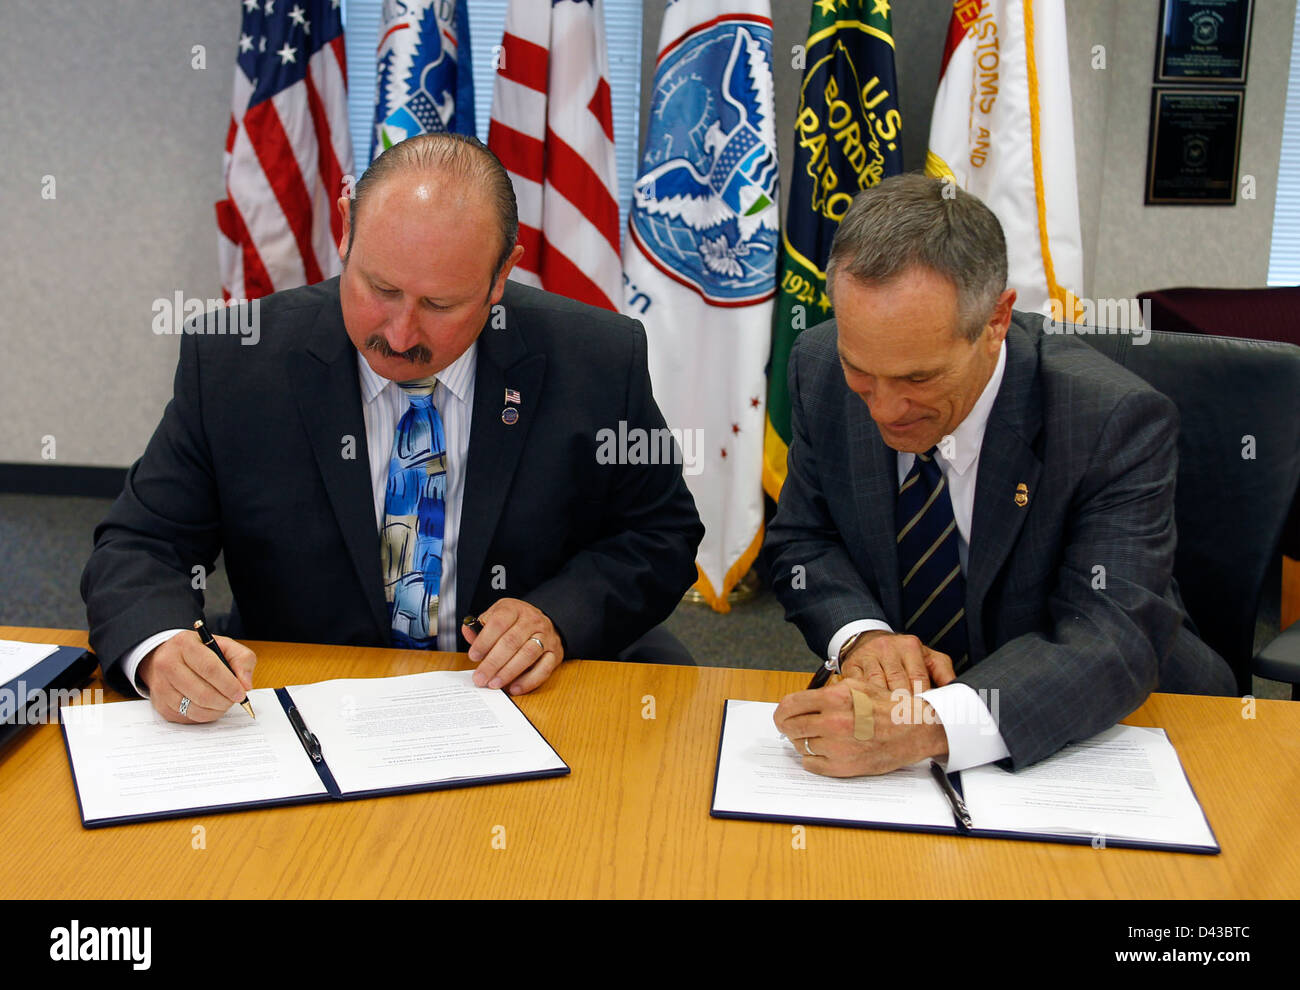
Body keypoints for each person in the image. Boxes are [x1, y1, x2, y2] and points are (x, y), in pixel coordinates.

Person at [82, 133, 704, 724]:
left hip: (517, 703)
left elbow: (659, 534)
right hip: (306, 700)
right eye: (380, 288)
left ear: (500, 277)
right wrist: (161, 646)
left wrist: (559, 616)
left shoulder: (594, 359)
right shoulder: (236, 362)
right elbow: (141, 544)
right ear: (347, 228)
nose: (400, 334)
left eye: (440, 305)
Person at [764, 172, 1235, 777]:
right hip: (892, 729)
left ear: (996, 320)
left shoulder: (1111, 421)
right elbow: (806, 538)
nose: (883, 409)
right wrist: (863, 637)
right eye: (863, 372)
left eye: (918, 379)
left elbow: (1110, 635)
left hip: (1111, 725)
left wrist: (930, 727)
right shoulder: (819, 366)